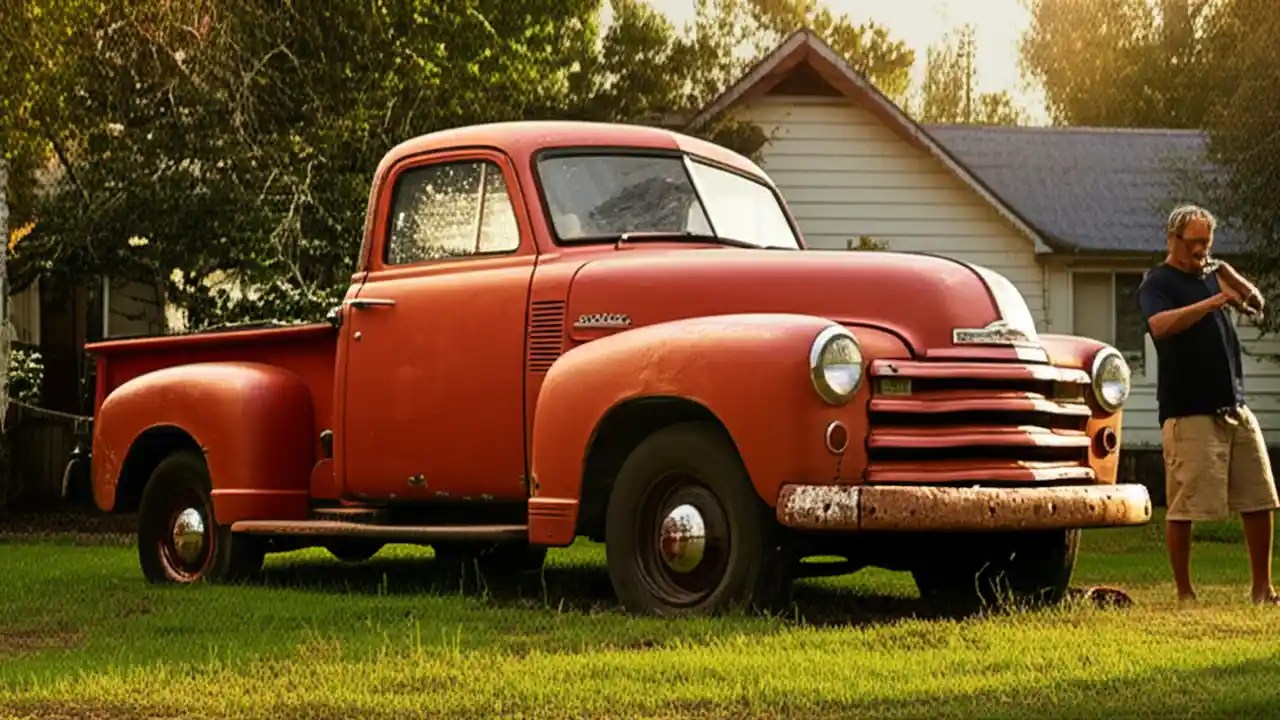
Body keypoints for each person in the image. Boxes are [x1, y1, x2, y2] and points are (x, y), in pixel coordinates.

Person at [1138, 204, 1280, 605]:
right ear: (1173, 239)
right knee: (1185, 504)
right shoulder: (1157, 283)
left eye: (1207, 243)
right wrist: (1211, 303)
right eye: (1194, 243)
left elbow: (1257, 305)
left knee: (1260, 497)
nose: (1201, 250)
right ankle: (1185, 593)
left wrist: (1236, 284)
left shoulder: (1214, 275)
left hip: (1233, 406)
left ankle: (1262, 589)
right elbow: (1159, 326)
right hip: (1188, 409)